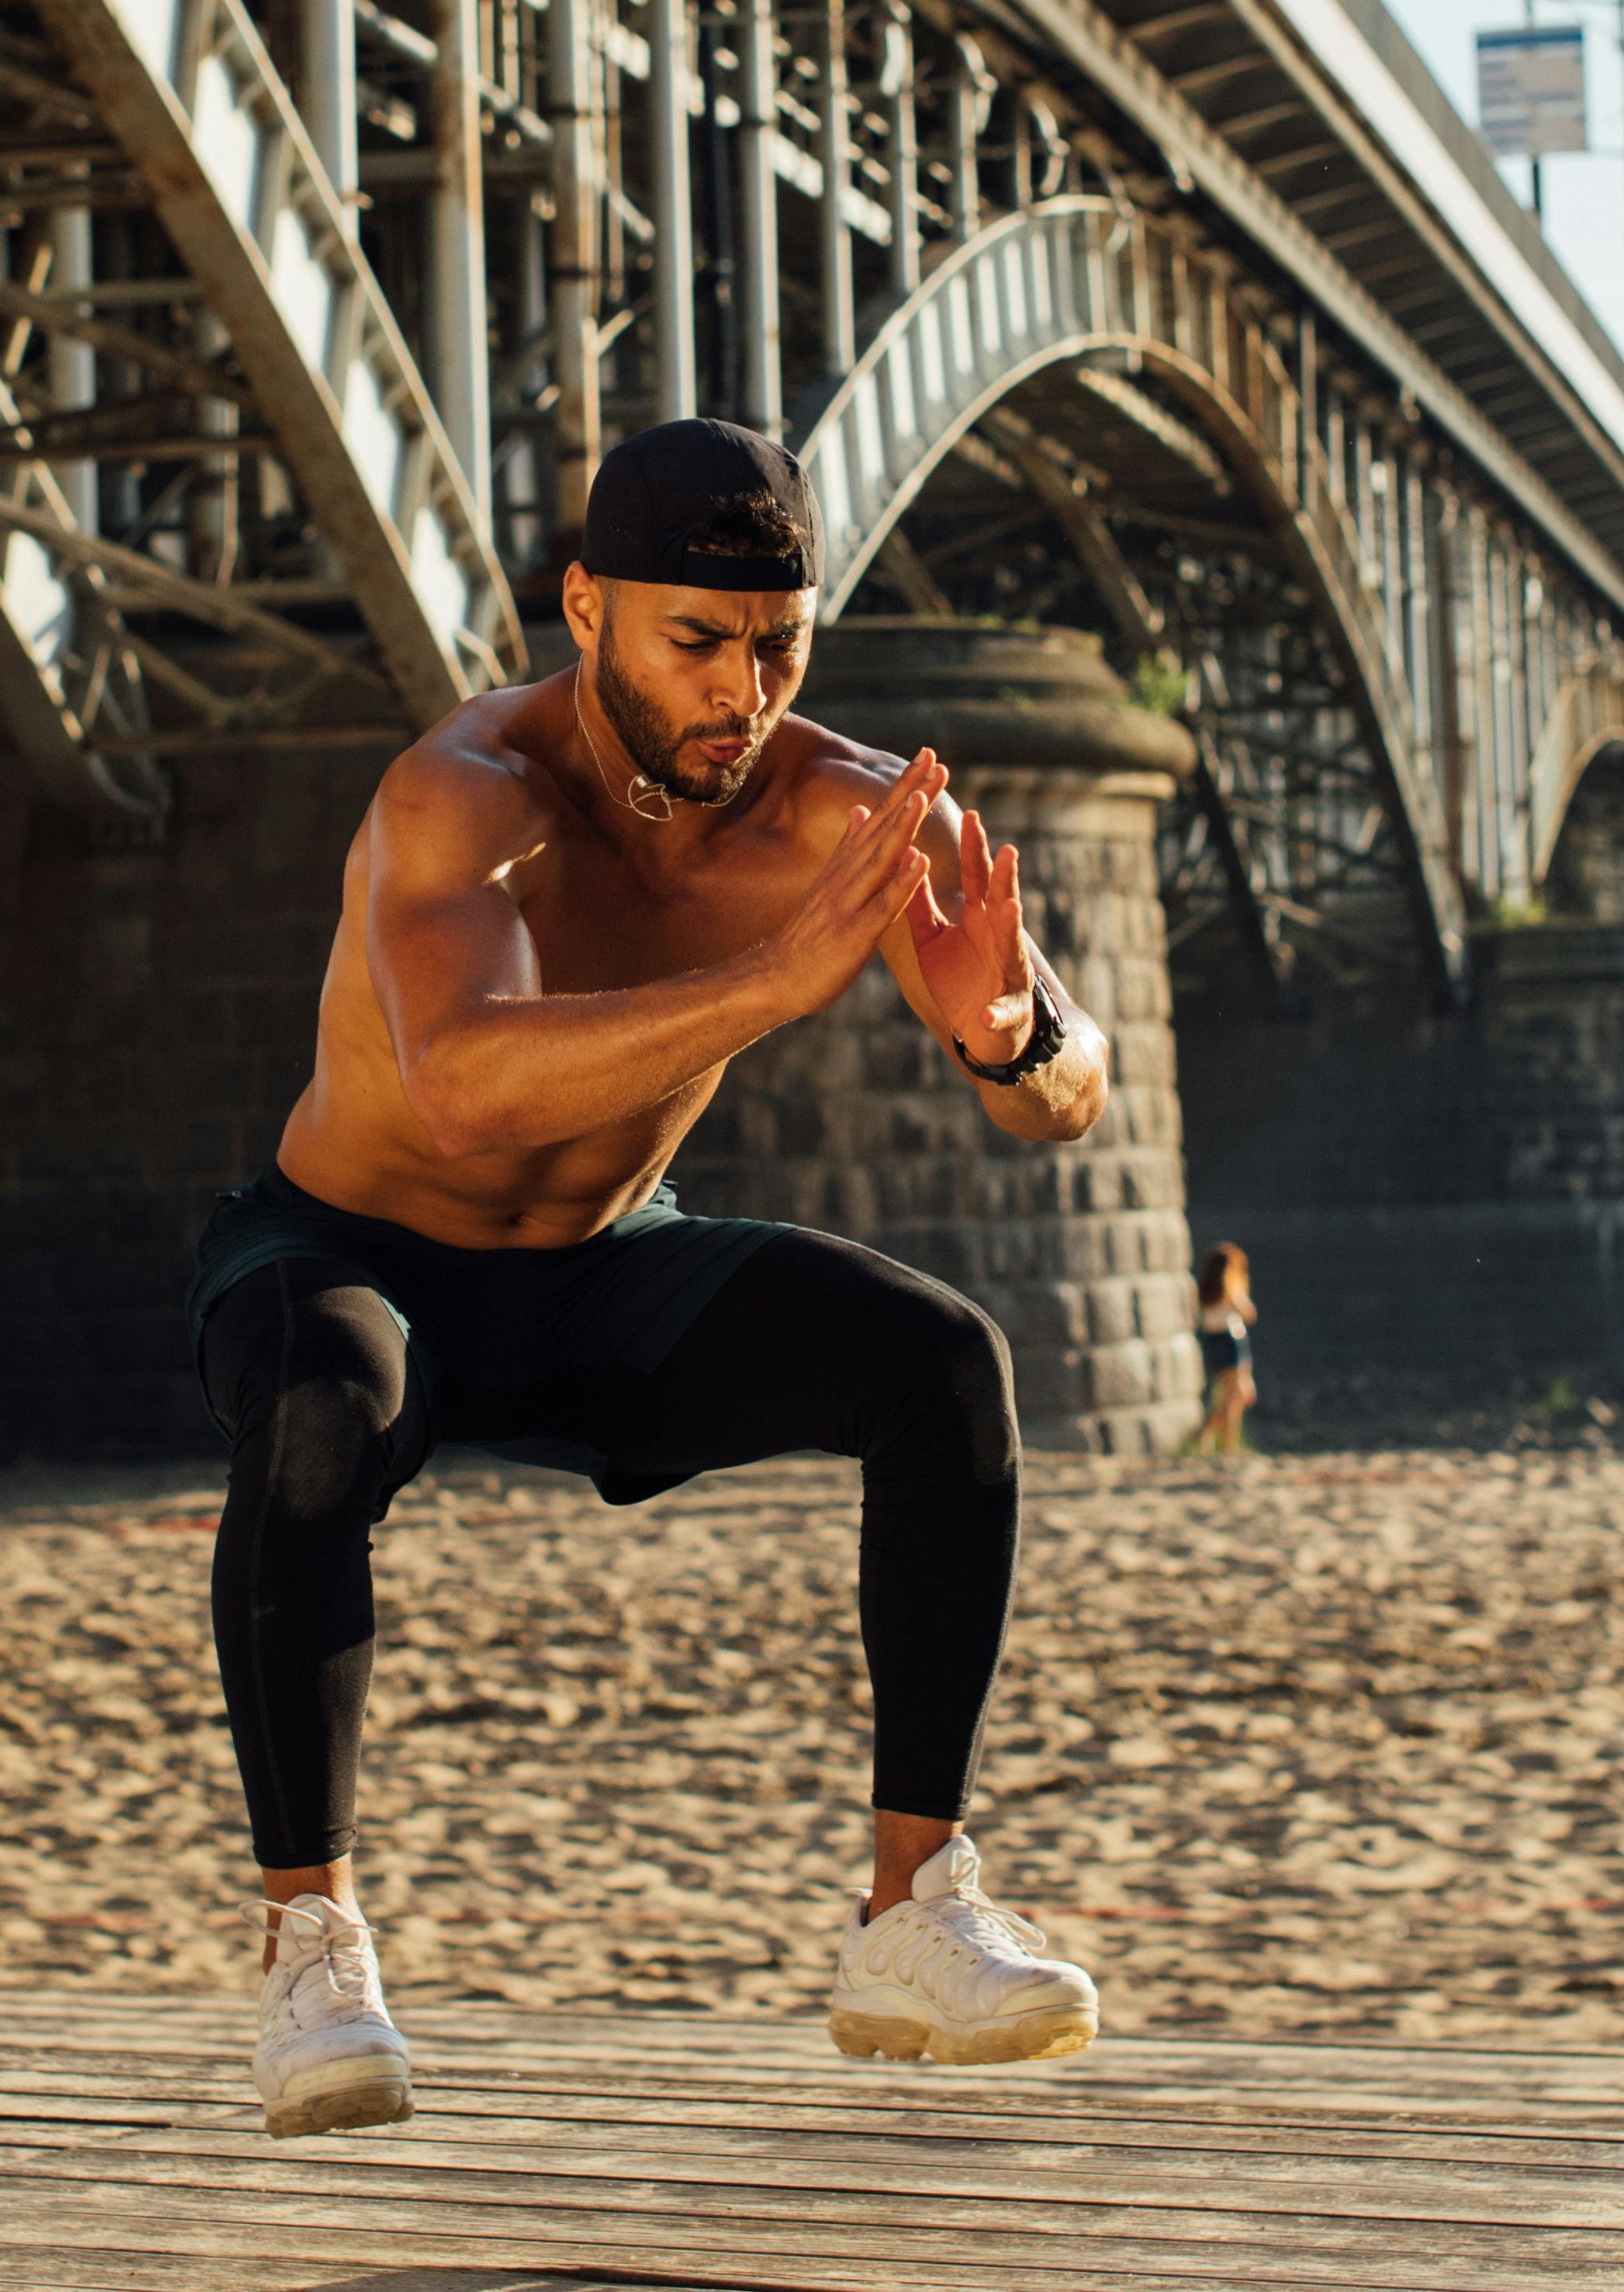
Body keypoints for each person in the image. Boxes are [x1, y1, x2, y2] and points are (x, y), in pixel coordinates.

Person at [189, 419, 1109, 2140]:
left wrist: (1010, 1033)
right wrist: (771, 976)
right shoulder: (457, 796)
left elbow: (1075, 1091)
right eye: (695, 642)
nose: (741, 694)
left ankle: (907, 1913)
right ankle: (308, 1940)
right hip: (350, 1249)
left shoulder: (847, 807)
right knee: (327, 1407)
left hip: (602, 1266)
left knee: (942, 1366)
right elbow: (459, 1088)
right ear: (586, 605)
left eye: (777, 647)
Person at [1182, 1242, 1257, 1457]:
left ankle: (1207, 1434)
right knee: (1236, 1398)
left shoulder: (1204, 1290)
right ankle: (1226, 1445)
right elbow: (1249, 1313)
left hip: (1214, 1341)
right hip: (1230, 1341)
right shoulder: (1230, 1288)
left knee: (1234, 1397)